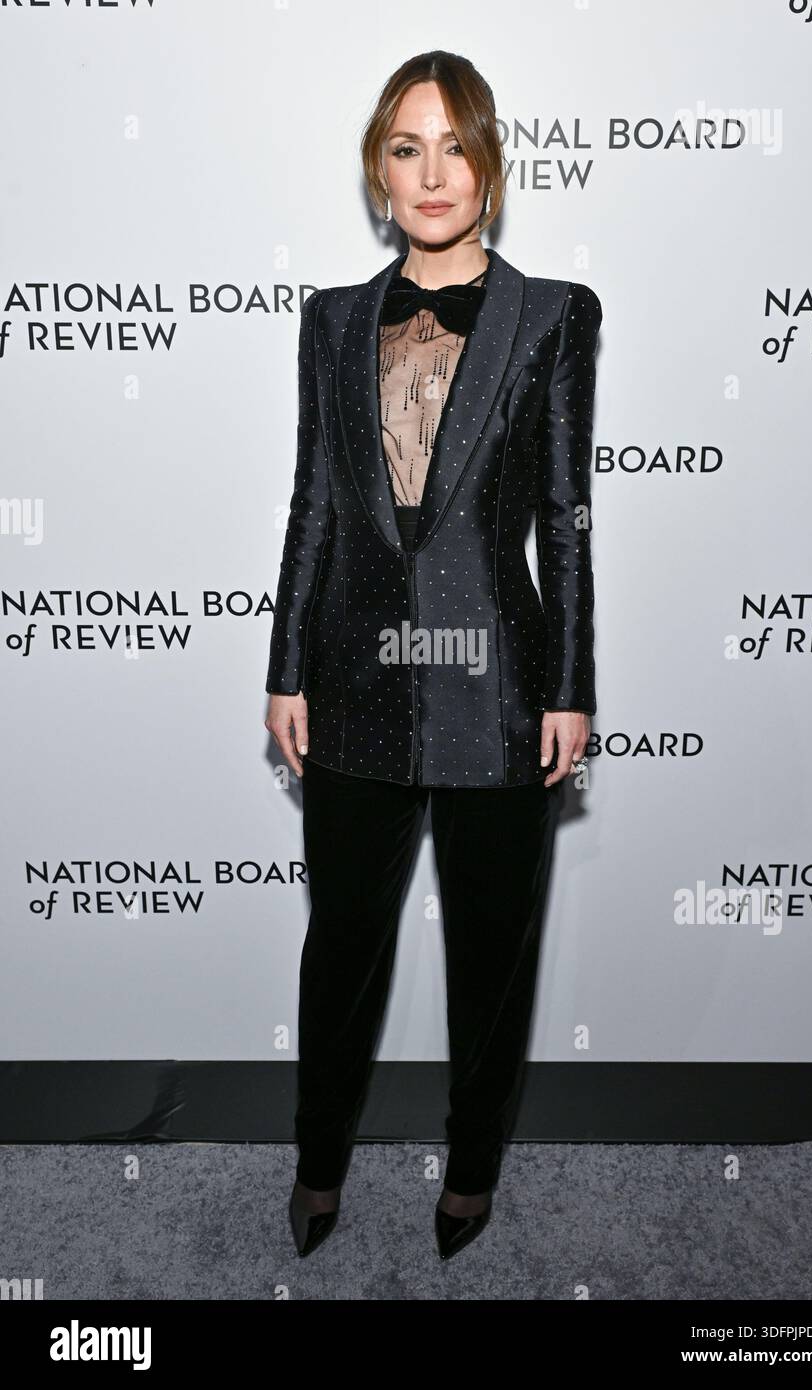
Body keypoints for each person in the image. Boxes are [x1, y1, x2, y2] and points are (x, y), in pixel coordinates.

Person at [264, 50, 602, 1261]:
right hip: (349, 676)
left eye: (453, 144)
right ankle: (315, 1164)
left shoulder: (552, 314)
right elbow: (312, 500)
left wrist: (569, 686)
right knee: (340, 944)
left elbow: (562, 512)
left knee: (489, 957)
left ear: (490, 167)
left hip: (499, 685)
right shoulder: (332, 321)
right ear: (378, 172)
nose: (431, 172)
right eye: (406, 148)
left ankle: (467, 1173)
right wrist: (284, 664)